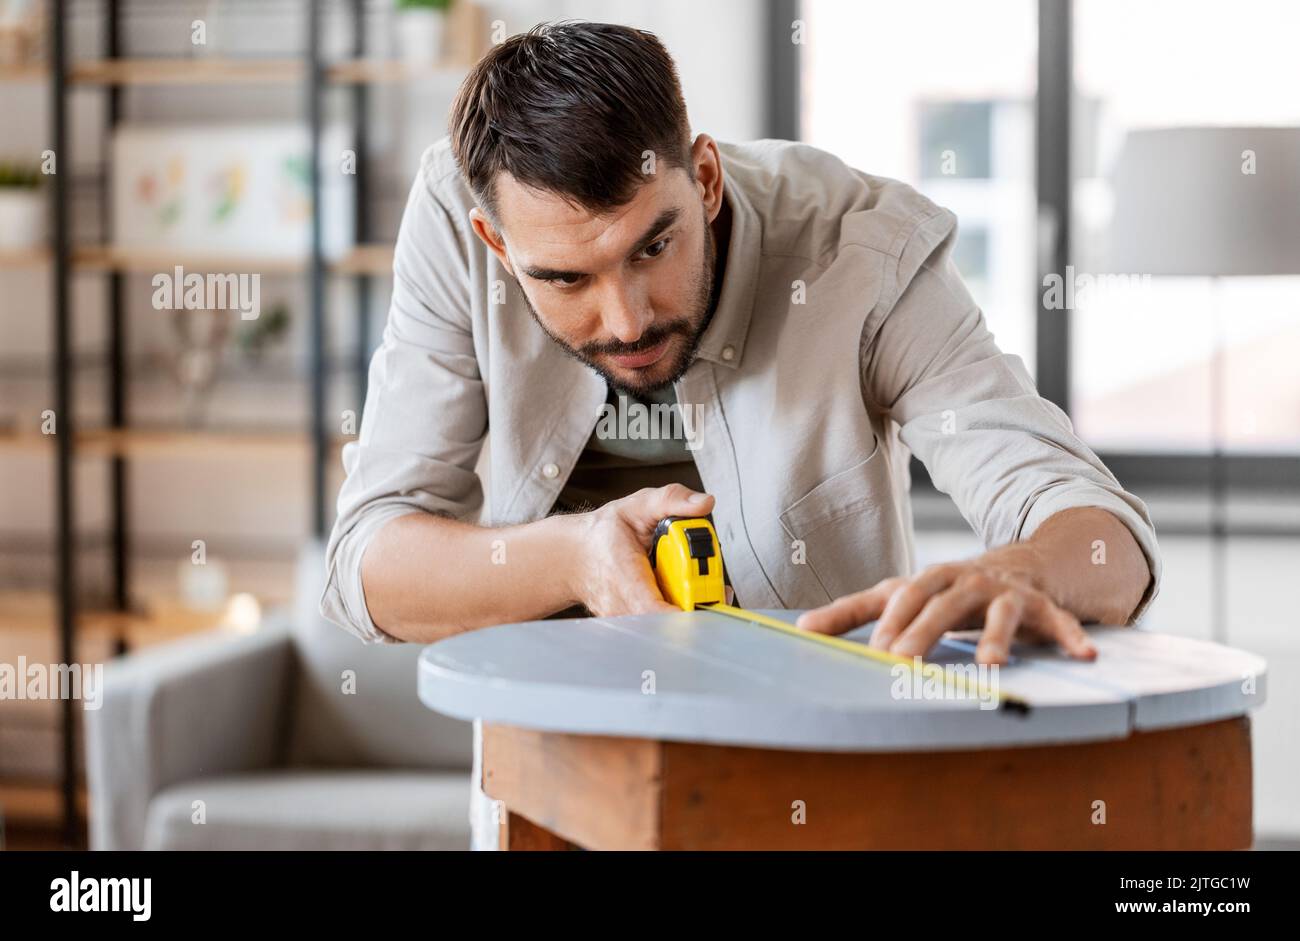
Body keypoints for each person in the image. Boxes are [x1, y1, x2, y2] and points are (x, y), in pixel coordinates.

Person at [320, 21, 1161, 848]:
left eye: (654, 245)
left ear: (708, 179)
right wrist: (577, 553)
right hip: (547, 780)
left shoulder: (865, 251)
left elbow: (1102, 538)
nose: (627, 318)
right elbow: (368, 565)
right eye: (566, 278)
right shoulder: (457, 209)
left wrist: (1026, 568)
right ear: (497, 246)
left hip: (820, 787)